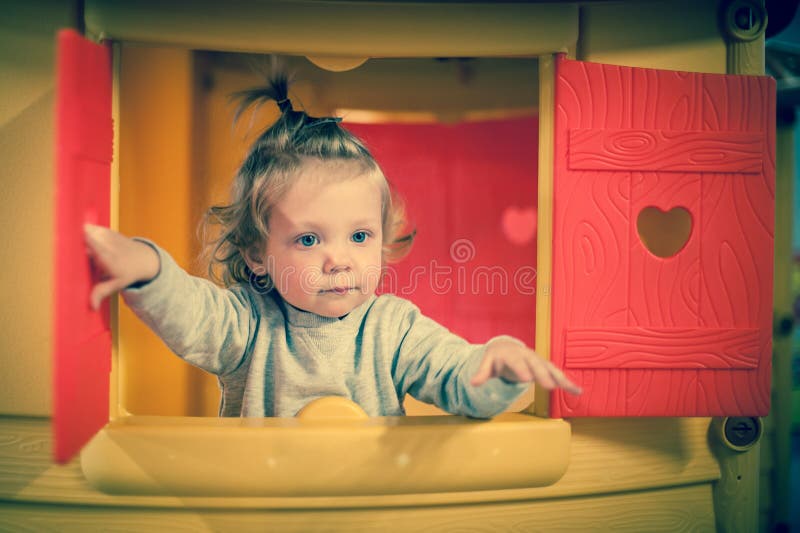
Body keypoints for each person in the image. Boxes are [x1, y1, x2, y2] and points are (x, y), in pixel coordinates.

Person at [83, 74, 581, 418]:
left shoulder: (394, 329)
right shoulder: (249, 324)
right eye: (308, 238)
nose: (339, 259)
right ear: (258, 252)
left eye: (360, 236)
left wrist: (496, 366)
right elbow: (194, 314)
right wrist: (149, 269)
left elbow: (455, 375)